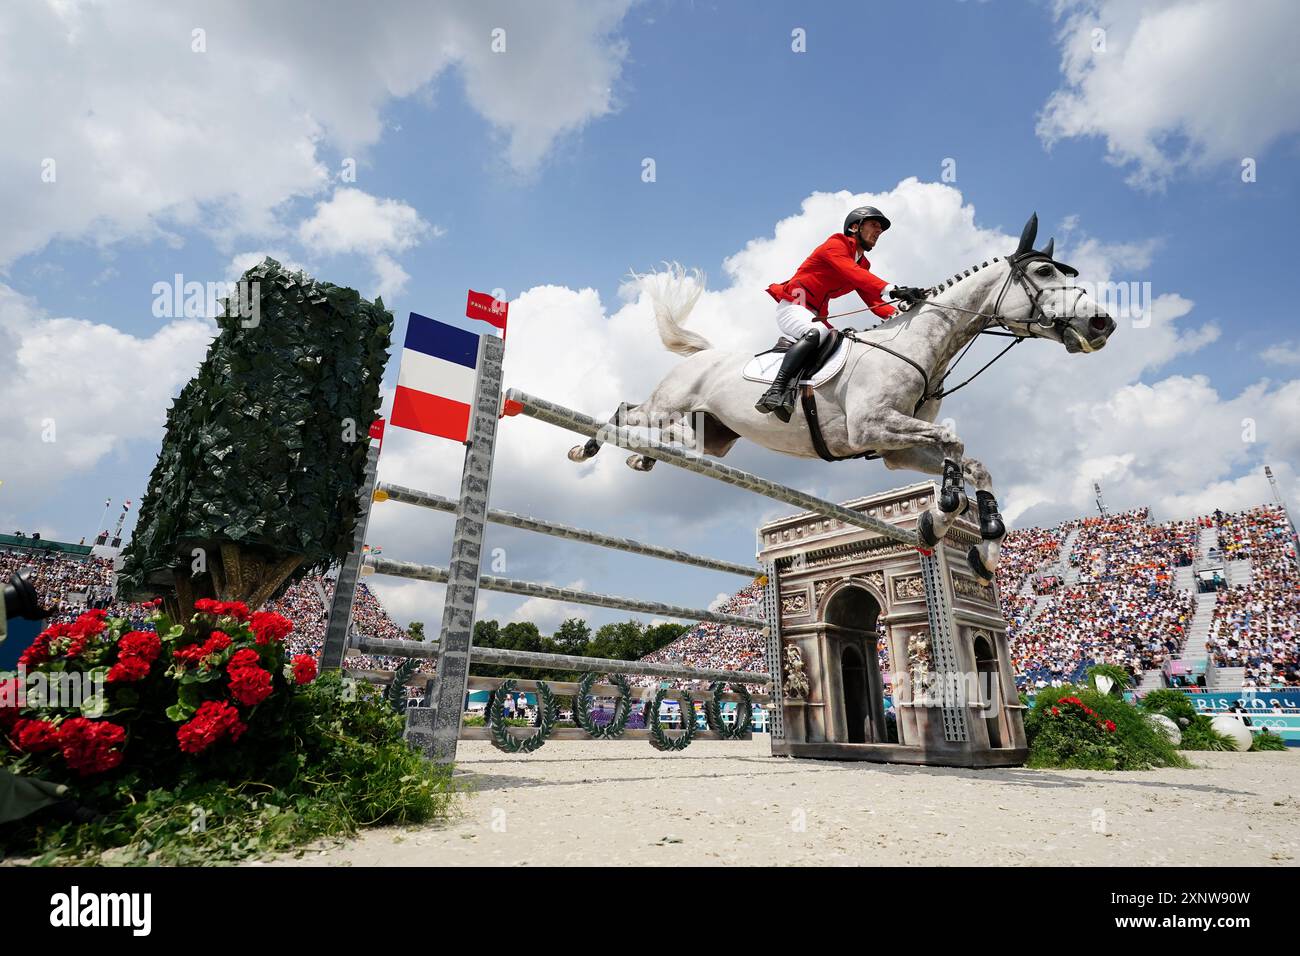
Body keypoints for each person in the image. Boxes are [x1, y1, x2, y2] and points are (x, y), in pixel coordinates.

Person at [755, 205, 927, 421]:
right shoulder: (835, 244)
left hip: (815, 315)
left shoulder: (863, 263)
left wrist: (907, 313)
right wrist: (893, 289)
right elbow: (852, 273)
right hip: (793, 307)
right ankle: (776, 390)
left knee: (840, 343)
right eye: (874, 225)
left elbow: (874, 302)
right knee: (817, 332)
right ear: (855, 227)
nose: (878, 232)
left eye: (880, 229)